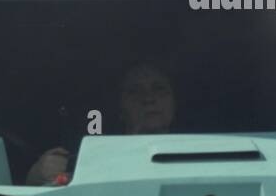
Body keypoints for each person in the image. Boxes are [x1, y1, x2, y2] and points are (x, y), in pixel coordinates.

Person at [26, 63, 175, 186]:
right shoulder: (91, 161)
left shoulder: (197, 155)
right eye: (135, 92)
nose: (148, 99)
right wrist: (37, 177)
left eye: (159, 89)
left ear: (173, 103)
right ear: (121, 109)